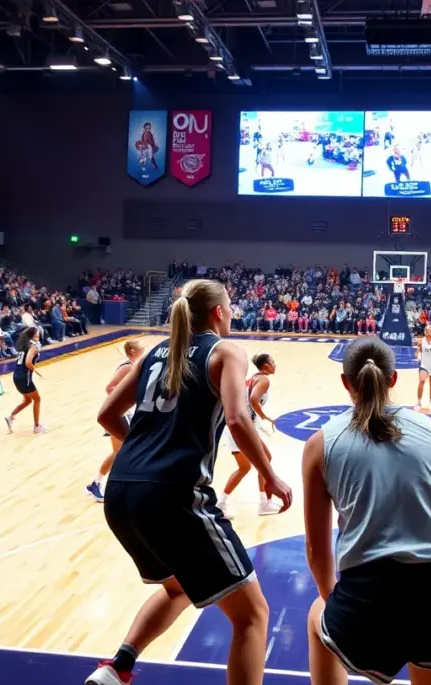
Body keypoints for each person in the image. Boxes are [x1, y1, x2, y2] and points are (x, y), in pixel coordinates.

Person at [86, 279, 293, 685]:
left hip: (122, 492)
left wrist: (144, 451)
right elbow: (237, 417)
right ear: (217, 312)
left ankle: (118, 667)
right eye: (230, 306)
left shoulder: (153, 353)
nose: (232, 312)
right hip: (173, 496)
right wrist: (270, 475)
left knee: (178, 587)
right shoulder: (226, 351)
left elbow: (106, 414)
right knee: (253, 615)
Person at [301, 337, 431, 685]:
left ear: (345, 382)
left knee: (318, 613)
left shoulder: (320, 444)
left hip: (371, 601)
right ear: (393, 379)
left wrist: (336, 601)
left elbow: (316, 551)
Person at [217, 353, 281, 517]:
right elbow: (253, 399)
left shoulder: (253, 378)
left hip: (235, 426)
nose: (275, 365)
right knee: (265, 459)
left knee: (244, 467)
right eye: (273, 362)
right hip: (245, 427)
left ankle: (221, 503)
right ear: (266, 365)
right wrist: (264, 416)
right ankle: (264, 503)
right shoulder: (264, 380)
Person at [86, 339, 144, 502]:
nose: (144, 349)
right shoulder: (127, 367)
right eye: (141, 347)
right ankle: (96, 483)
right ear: (132, 351)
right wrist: (127, 396)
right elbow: (109, 387)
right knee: (122, 451)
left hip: (121, 413)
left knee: (123, 451)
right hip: (119, 414)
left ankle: (108, 482)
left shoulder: (132, 365)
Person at [5, 326, 46, 434]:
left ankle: (10, 417)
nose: (38, 335)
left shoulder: (25, 346)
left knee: (27, 400)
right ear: (32, 335)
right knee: (37, 399)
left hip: (17, 376)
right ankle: (37, 427)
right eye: (37, 334)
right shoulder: (33, 347)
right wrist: (35, 370)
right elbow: (28, 362)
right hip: (24, 378)